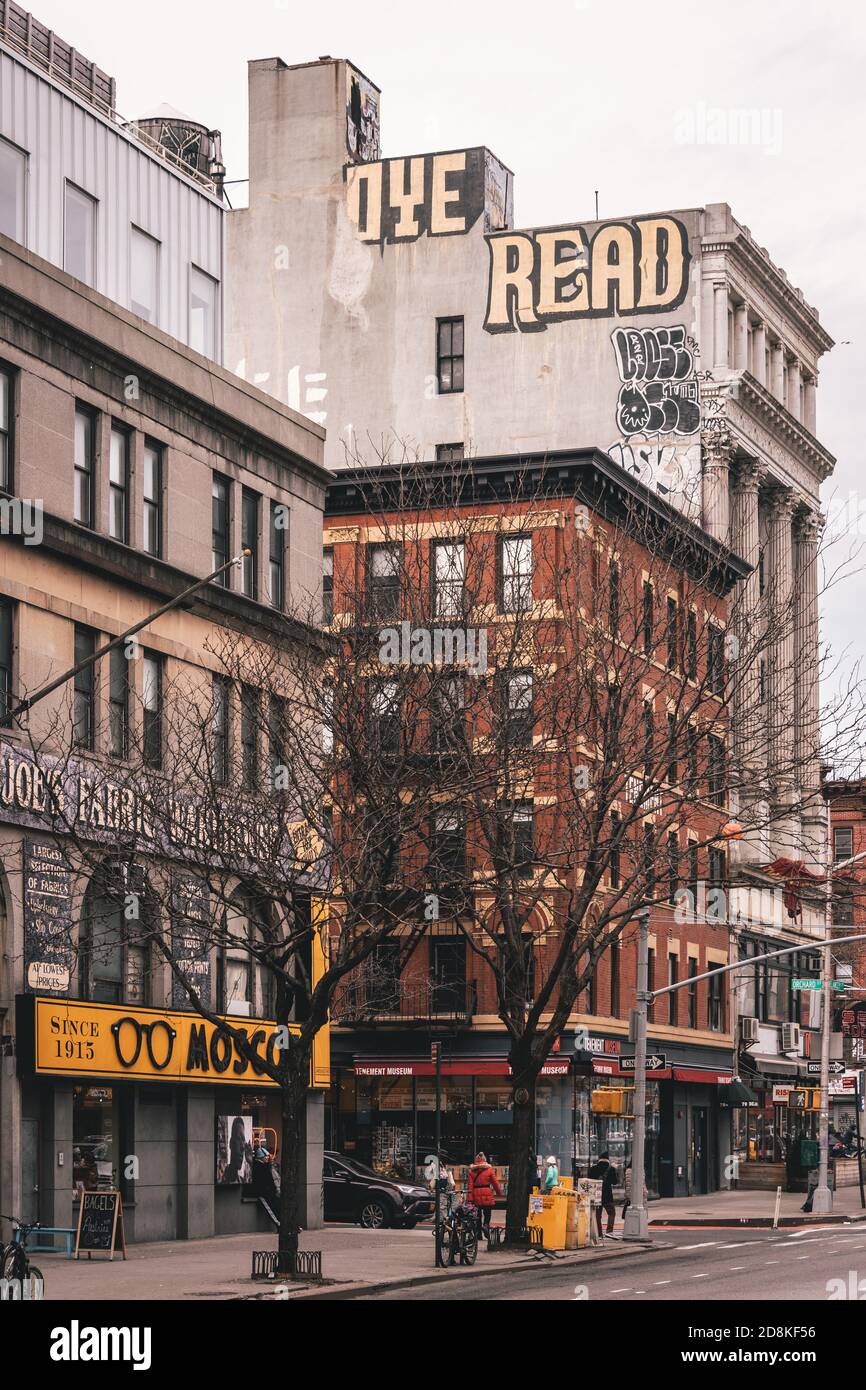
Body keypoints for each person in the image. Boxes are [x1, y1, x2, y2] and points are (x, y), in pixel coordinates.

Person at [468, 1151, 503, 1243]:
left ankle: (478, 1234)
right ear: (485, 1160)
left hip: (476, 1193)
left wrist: (470, 1198)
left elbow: (470, 1186)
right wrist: (499, 1193)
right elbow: (495, 1182)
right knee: (487, 1212)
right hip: (487, 1192)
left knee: (477, 1215)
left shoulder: (472, 1171)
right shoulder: (489, 1170)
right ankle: (486, 1225)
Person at [588, 1151, 618, 1236]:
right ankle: (609, 1231)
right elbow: (615, 1182)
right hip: (607, 1195)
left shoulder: (593, 1168)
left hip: (596, 1194)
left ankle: (599, 1233)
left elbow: (589, 1180)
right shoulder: (611, 1169)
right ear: (608, 1159)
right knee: (612, 1212)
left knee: (597, 1215)